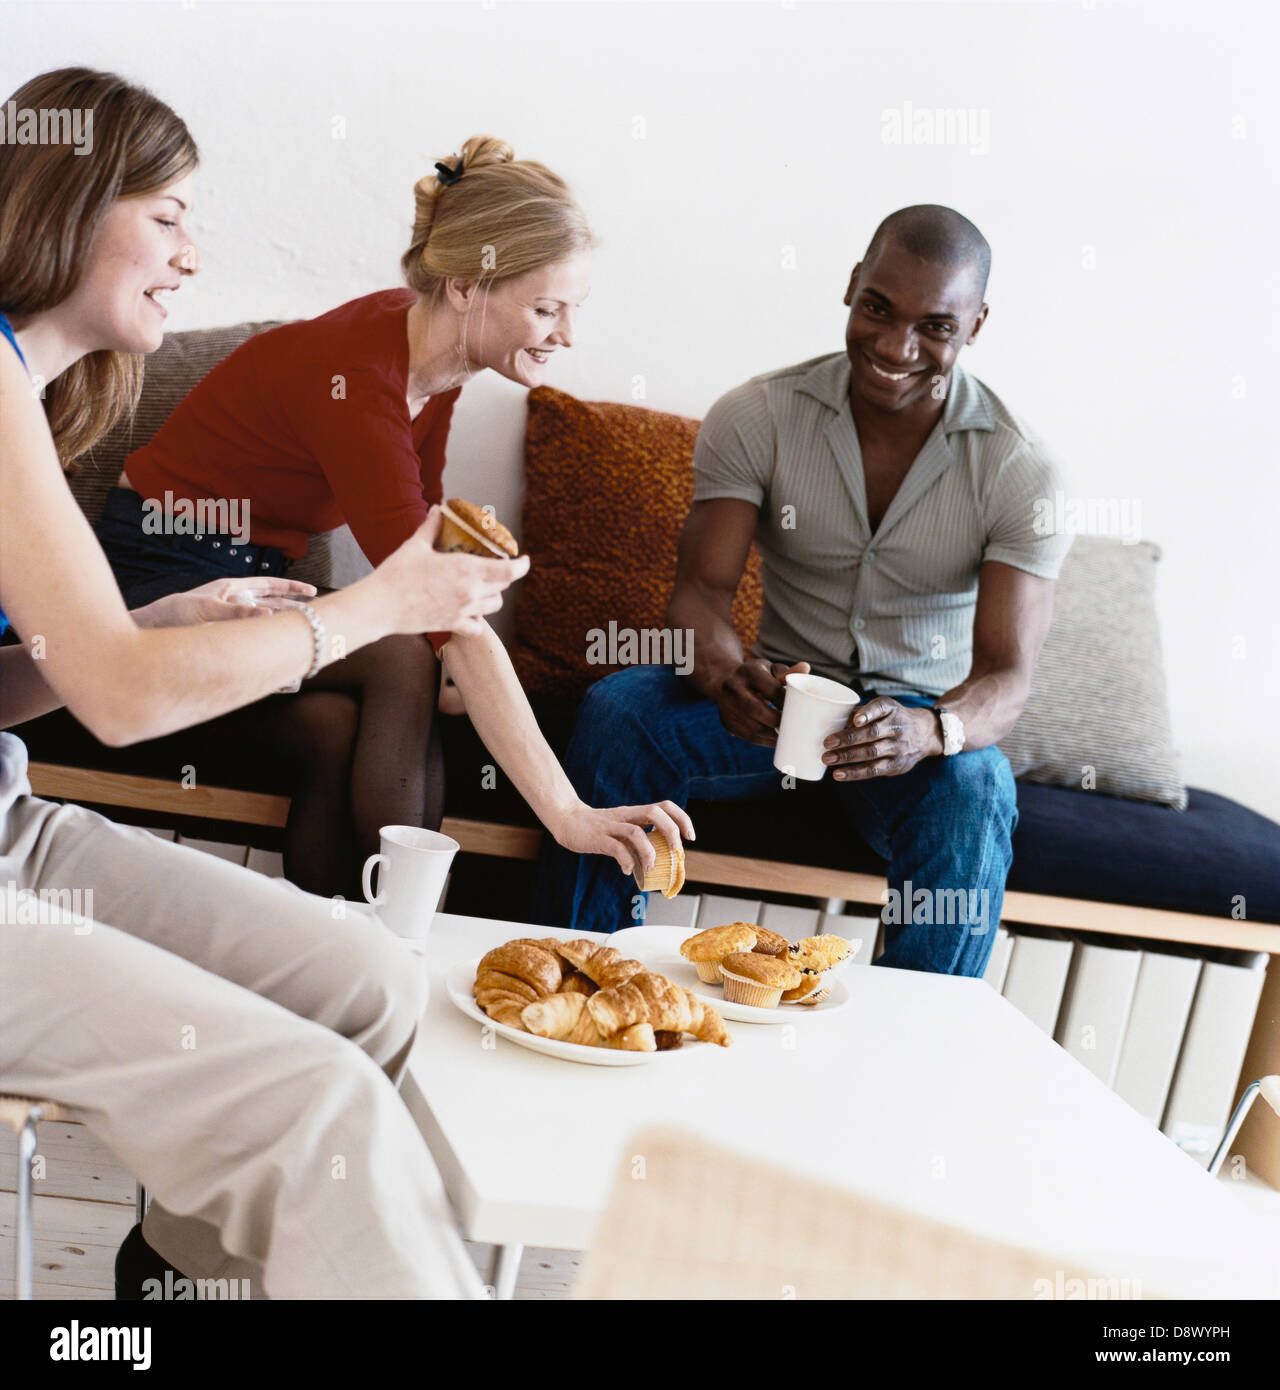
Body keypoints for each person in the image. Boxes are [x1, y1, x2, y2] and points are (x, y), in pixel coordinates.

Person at [0, 66, 680, 1298]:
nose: (194, 256)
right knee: (316, 1103)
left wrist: (142, 622)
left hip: (14, 824)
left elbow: (55, 682)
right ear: (66, 199)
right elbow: (125, 701)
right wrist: (369, 610)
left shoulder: (32, 394)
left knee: (369, 985)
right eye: (170, 215)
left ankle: (170, 1278)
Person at [68, 132, 679, 898]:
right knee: (400, 654)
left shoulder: (441, 358)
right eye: (546, 308)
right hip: (165, 586)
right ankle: (409, 936)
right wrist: (567, 811)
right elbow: (432, 601)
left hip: (264, 589)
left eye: (574, 307)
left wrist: (466, 649)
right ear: (464, 287)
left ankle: (348, 956)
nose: (568, 334)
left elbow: (427, 535)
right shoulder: (359, 380)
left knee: (335, 730)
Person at [535, 206, 1072, 976]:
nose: (895, 347)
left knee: (976, 783)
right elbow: (699, 596)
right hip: (775, 709)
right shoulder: (760, 414)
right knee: (622, 710)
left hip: (912, 733)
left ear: (976, 324)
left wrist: (930, 734)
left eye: (935, 328)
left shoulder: (1021, 470)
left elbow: (1005, 679)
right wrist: (724, 679)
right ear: (853, 285)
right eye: (878, 309)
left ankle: (922, 1036)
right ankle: (581, 976)